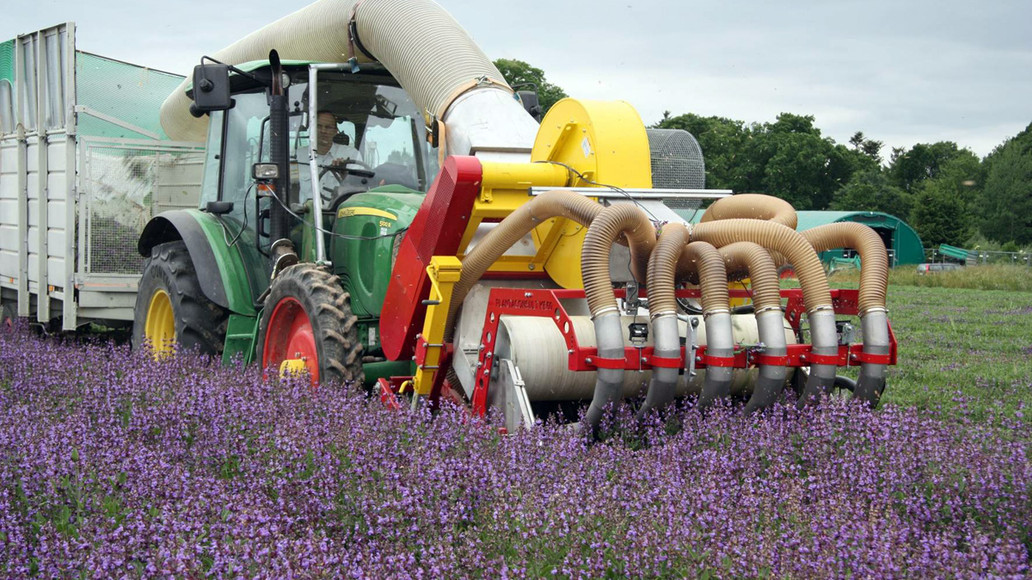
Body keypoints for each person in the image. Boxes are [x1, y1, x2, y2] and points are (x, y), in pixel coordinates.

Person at [297, 110, 362, 205]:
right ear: (312, 129)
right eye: (319, 126)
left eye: (328, 127)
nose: (323, 131)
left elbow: (360, 190)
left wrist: (345, 176)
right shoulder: (298, 156)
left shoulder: (351, 155)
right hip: (304, 214)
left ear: (335, 131)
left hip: (339, 214)